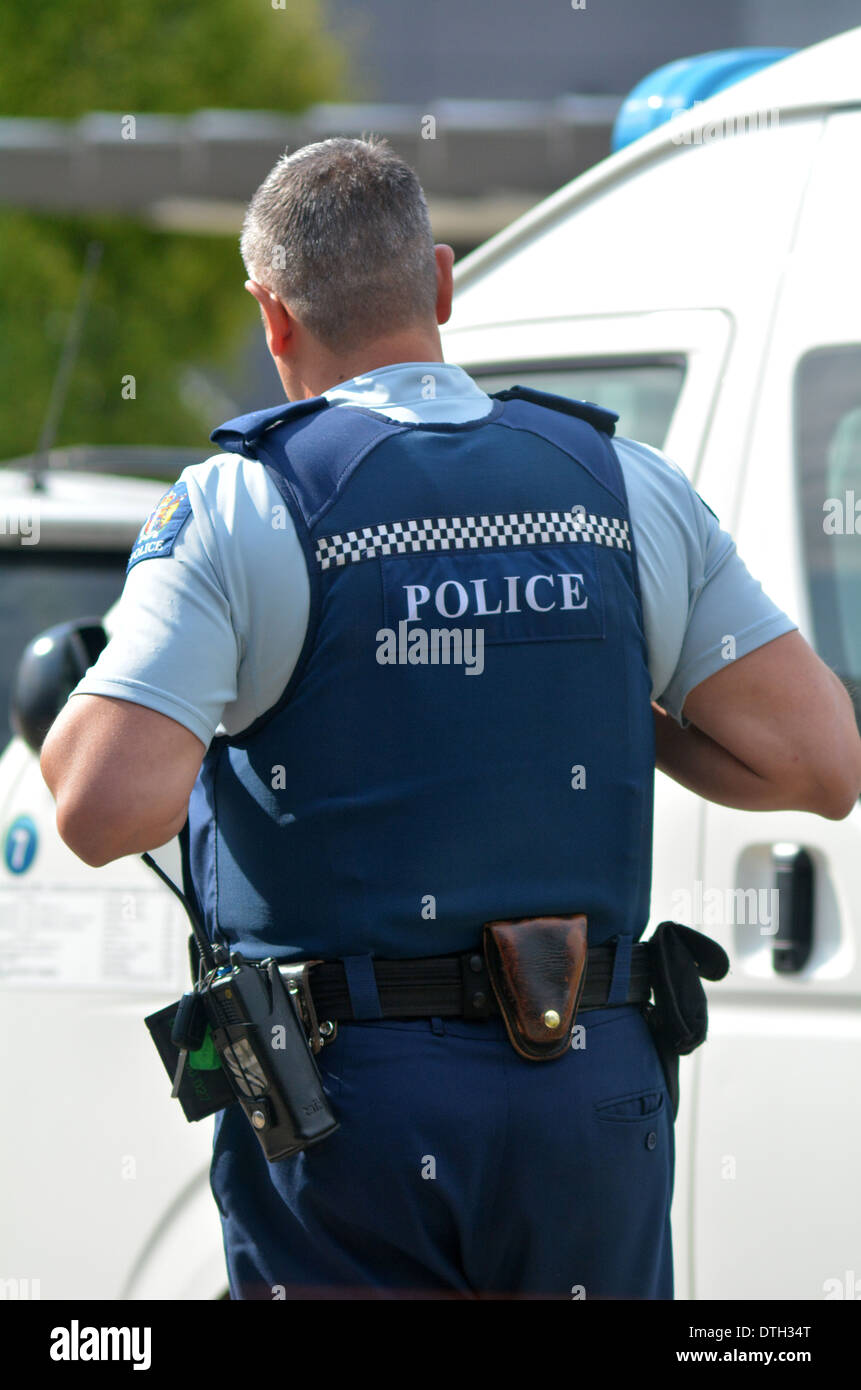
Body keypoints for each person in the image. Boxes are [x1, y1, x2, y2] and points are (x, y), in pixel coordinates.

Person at [40, 136, 861, 1301]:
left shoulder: (245, 504)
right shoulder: (625, 487)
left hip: (351, 1118)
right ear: (439, 281)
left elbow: (102, 803)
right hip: (593, 1091)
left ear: (272, 318)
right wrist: (639, 713)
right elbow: (823, 764)